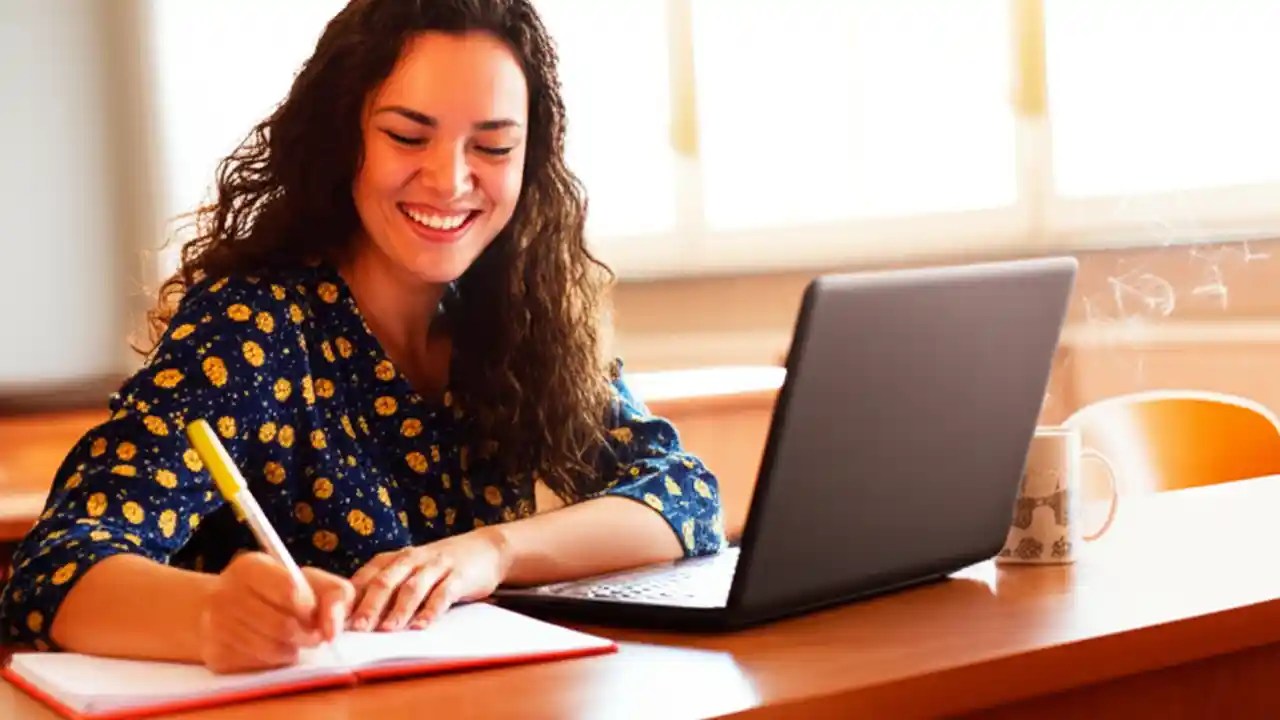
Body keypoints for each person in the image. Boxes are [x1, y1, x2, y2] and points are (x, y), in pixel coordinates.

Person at [0, 0, 725, 673]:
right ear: (343, 138)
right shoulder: (252, 329)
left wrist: (492, 552)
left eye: (495, 148)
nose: (450, 180)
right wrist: (210, 616)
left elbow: (684, 499)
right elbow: (55, 565)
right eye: (408, 135)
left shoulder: (516, 317)